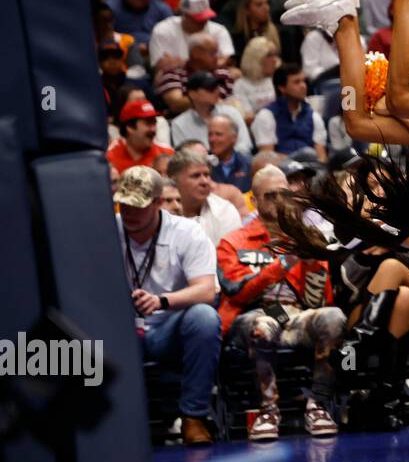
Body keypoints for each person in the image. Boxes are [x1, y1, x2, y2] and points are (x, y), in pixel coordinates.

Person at [217, 165, 344, 439]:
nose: (278, 202)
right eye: (270, 195)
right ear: (255, 199)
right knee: (264, 323)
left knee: (334, 317)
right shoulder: (234, 242)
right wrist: (281, 265)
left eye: (283, 195)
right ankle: (268, 410)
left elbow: (319, 302)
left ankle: (318, 405)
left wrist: (312, 266)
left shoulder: (306, 237)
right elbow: (236, 291)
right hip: (251, 315)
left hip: (296, 317)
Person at [114, 165, 221, 445]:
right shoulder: (105, 229)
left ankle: (193, 417)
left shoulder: (187, 232)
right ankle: (116, 423)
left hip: (169, 327)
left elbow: (206, 290)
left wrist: (162, 300)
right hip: (121, 329)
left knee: (205, 318)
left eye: (137, 206)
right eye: (124, 205)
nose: (129, 213)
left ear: (158, 203)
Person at [251, 62, 327, 160]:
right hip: (280, 171)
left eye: (304, 81)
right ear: (282, 88)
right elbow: (267, 157)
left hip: (311, 170)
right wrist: (298, 161)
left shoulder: (313, 116)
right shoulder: (266, 116)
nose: (303, 86)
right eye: (297, 82)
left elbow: (321, 156)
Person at [167, 150, 242, 247]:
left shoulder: (224, 210)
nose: (205, 181)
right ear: (174, 181)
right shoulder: (159, 213)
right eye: (196, 176)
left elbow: (230, 255)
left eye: (207, 175)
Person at [168, 71, 253, 155]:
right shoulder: (179, 123)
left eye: (217, 87)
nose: (216, 91)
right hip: (201, 167)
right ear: (193, 94)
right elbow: (185, 157)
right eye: (210, 88)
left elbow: (245, 146)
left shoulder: (232, 113)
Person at [148, 0, 236, 70]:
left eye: (206, 18)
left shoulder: (219, 30)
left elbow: (226, 60)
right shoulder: (163, 29)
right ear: (184, 15)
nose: (204, 22)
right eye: (198, 19)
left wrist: (181, 63)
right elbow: (161, 66)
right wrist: (205, 63)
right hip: (175, 81)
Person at [107, 99, 174, 174]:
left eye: (154, 123)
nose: (153, 129)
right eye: (148, 123)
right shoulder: (108, 158)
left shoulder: (167, 153)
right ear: (130, 127)